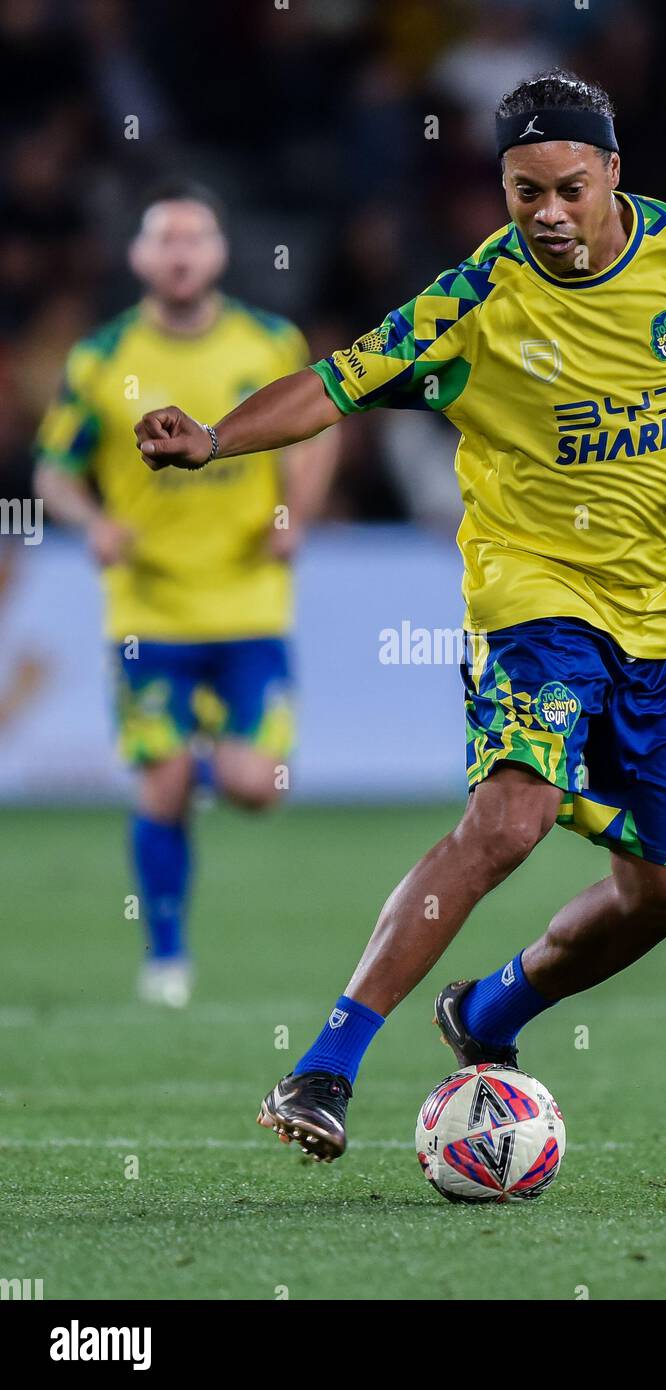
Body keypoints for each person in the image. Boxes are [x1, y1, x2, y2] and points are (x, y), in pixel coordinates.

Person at [133, 72, 666, 1155]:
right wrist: (213, 438)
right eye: (523, 191)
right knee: (509, 818)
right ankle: (323, 1068)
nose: (546, 214)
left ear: (613, 175)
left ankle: (487, 1012)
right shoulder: (473, 302)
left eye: (568, 189)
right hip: (533, 598)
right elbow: (333, 383)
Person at [36, 181, 337, 1007]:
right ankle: (166, 955)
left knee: (254, 788)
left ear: (217, 253)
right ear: (139, 257)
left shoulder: (271, 342)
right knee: (163, 785)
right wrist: (90, 522)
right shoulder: (100, 357)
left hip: (248, 606)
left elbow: (320, 427)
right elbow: (53, 470)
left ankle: (204, 745)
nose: (178, 253)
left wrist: (297, 514)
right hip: (148, 613)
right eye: (163, 240)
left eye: (193, 238)